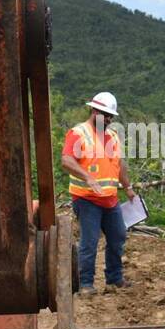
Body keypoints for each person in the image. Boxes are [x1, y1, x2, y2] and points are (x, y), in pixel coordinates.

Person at [60, 91, 136, 295]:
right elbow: (67, 160)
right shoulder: (79, 133)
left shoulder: (112, 136)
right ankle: (86, 283)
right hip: (87, 198)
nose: (108, 119)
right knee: (89, 241)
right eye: (104, 114)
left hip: (110, 199)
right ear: (93, 111)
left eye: (110, 116)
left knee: (118, 236)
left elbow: (119, 165)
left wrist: (127, 187)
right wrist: (88, 178)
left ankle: (114, 279)